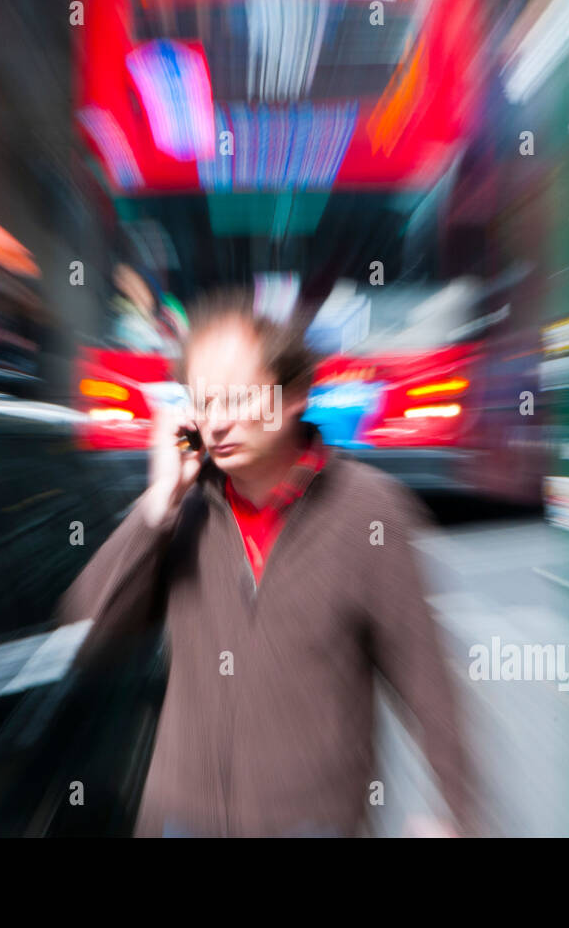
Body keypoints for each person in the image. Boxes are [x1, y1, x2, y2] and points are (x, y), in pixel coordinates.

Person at [58, 291, 485, 837]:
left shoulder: (370, 513)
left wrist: (460, 817)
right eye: (204, 403)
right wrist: (157, 504)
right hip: (180, 822)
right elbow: (88, 631)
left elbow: (427, 683)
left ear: (294, 397)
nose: (216, 424)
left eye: (237, 399)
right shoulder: (181, 513)